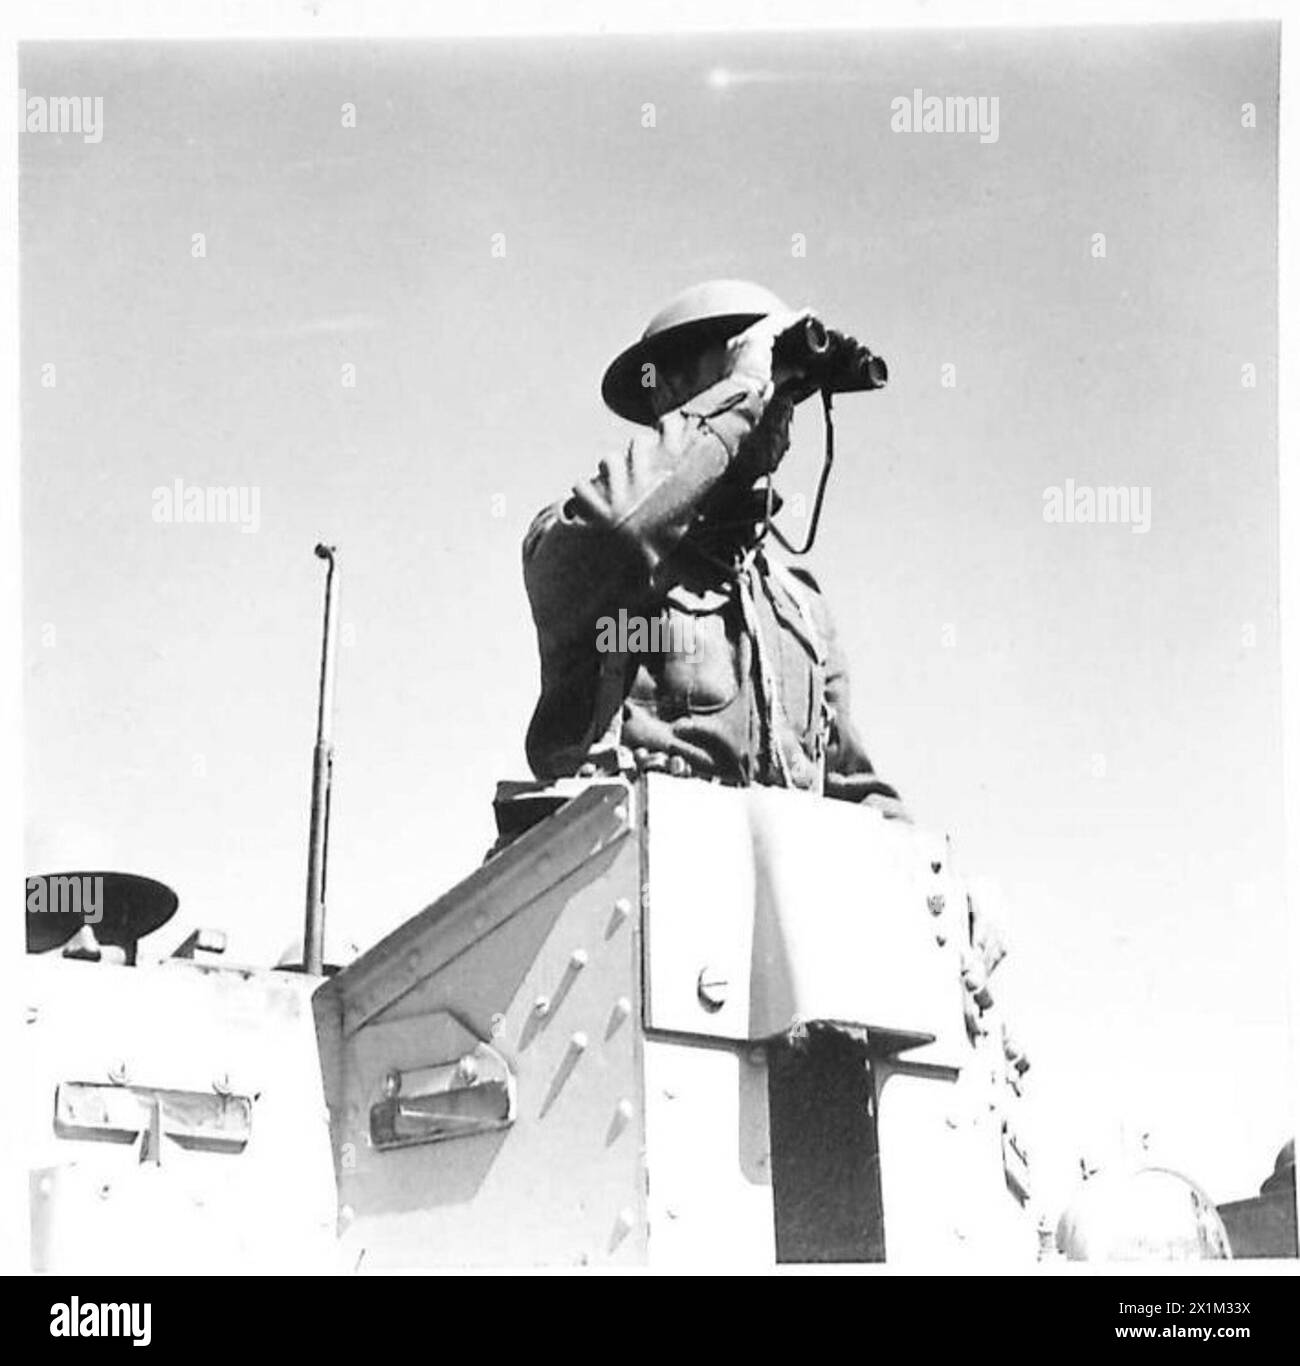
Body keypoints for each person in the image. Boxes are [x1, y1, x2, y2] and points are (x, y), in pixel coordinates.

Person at [521, 279, 905, 816]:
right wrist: (742, 388)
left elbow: (852, 791)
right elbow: (622, 527)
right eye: (760, 379)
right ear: (665, 393)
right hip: (626, 876)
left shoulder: (802, 610)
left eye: (786, 389)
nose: (775, 403)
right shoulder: (587, 554)